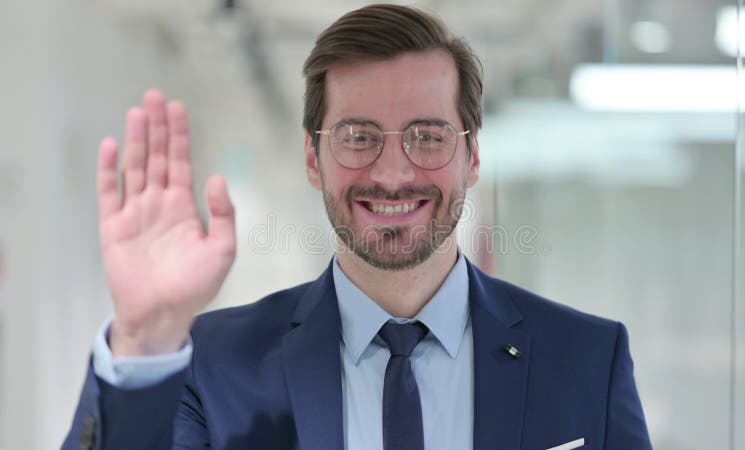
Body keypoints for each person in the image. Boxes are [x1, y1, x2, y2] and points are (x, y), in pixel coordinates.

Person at [62, 4, 652, 450]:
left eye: (427, 136)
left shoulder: (586, 360)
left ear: (472, 157)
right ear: (314, 159)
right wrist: (143, 341)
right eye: (358, 137)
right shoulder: (215, 365)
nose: (393, 174)